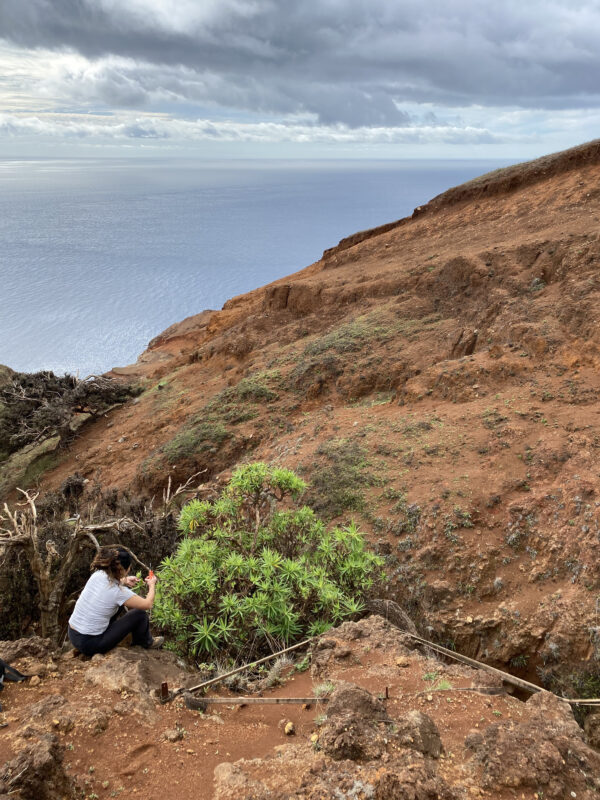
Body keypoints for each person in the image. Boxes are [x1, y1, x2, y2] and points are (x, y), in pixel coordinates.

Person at [68, 546, 164, 656]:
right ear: (124, 570)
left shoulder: (97, 575)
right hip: (90, 644)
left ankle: (108, 634)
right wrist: (152, 585)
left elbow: (107, 587)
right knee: (140, 614)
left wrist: (124, 580)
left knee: (118, 605)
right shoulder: (118, 592)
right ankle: (146, 642)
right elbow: (148, 604)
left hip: (73, 634)